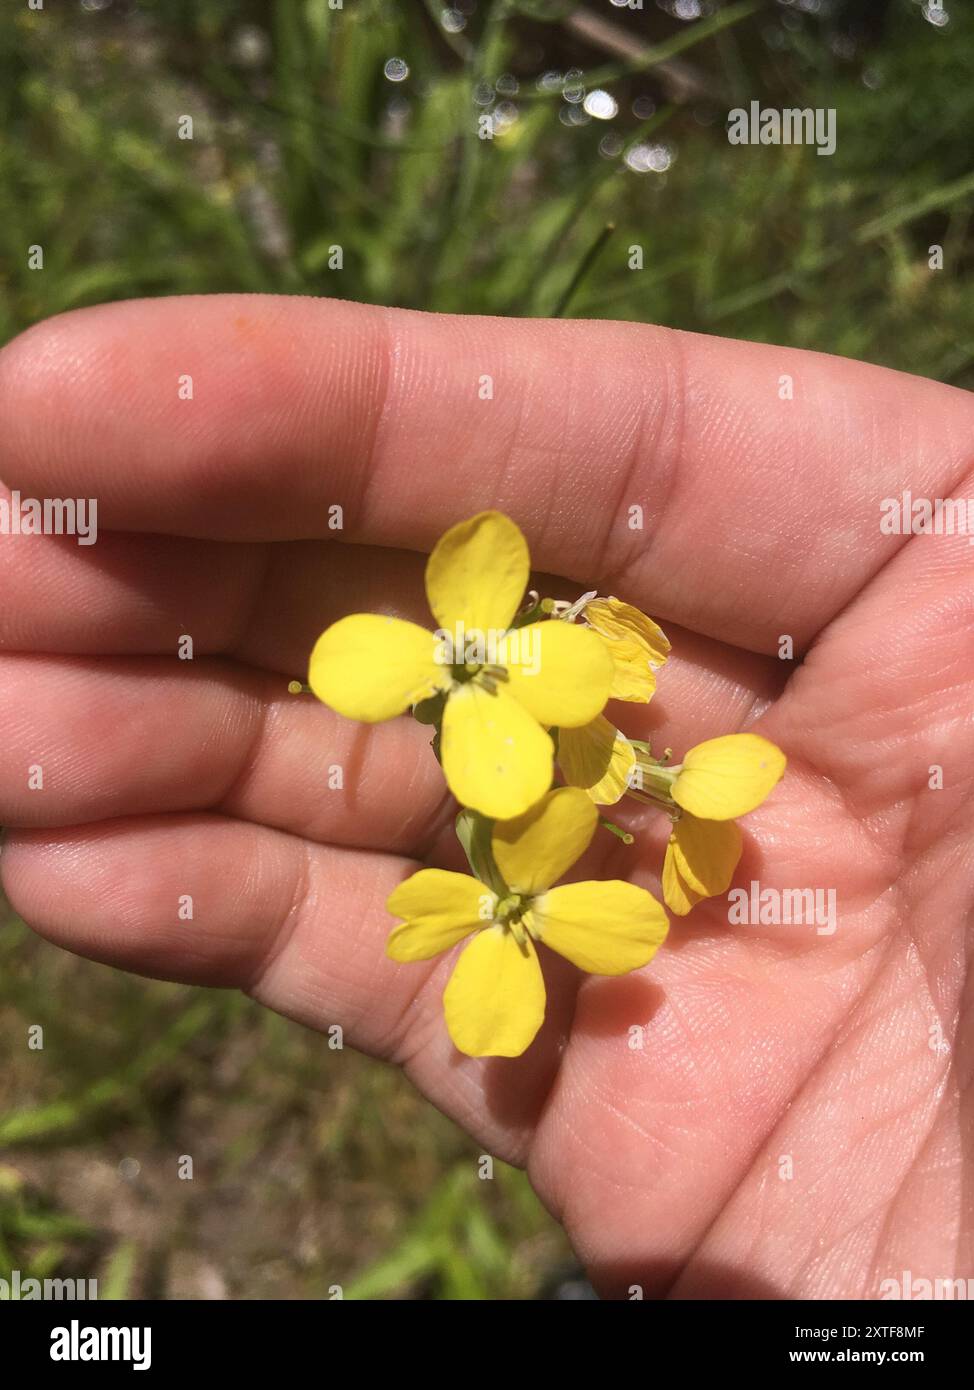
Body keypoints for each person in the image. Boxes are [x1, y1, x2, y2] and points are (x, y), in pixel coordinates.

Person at [1, 294, 971, 1299]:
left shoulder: (542, 699)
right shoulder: (455, 685)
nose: (507, 903)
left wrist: (631, 775)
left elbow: (539, 762)